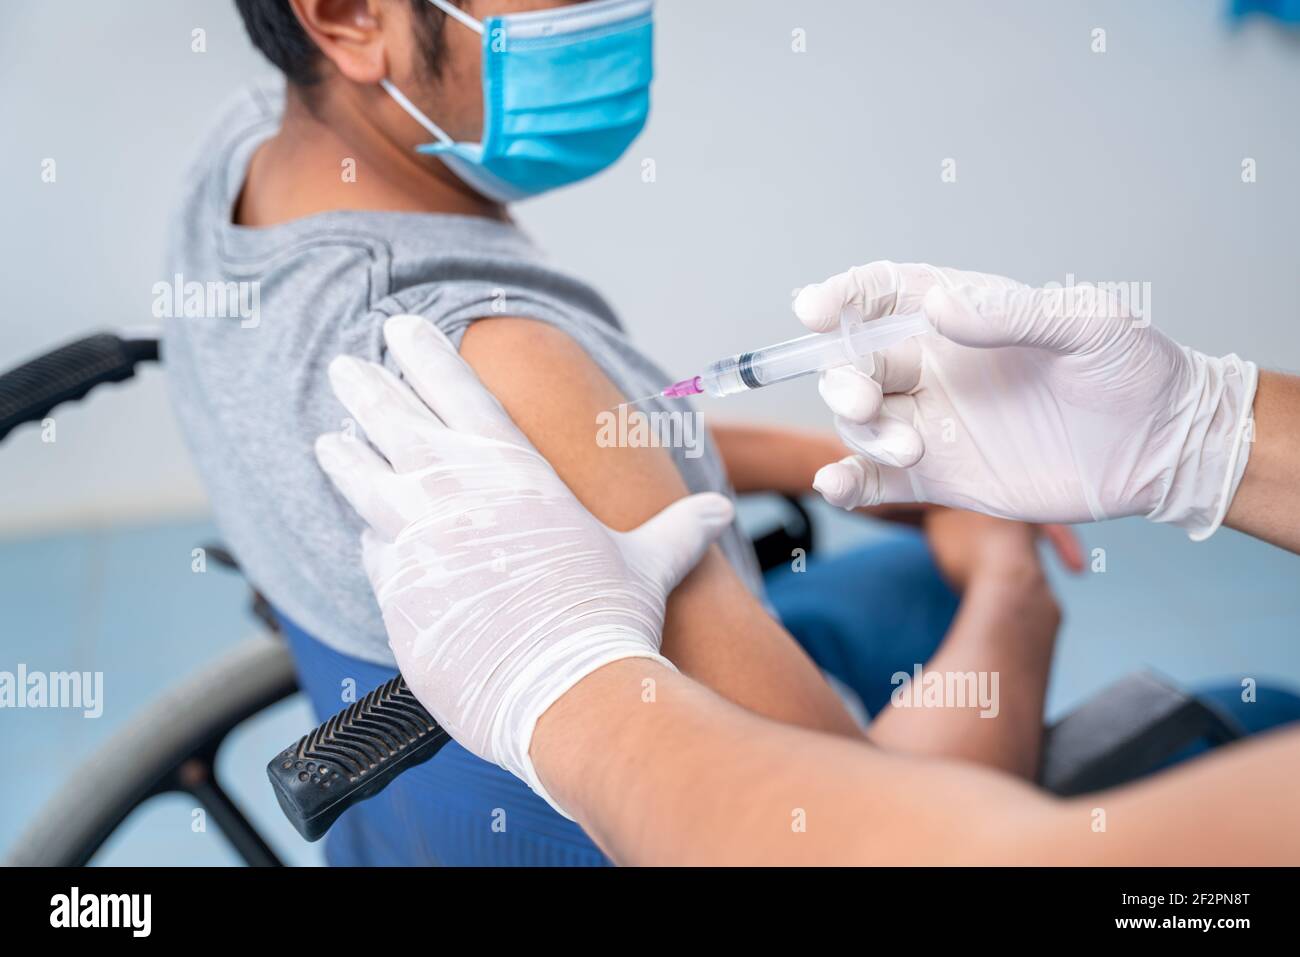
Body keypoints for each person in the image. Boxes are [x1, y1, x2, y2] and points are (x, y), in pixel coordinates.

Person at [162, 1, 1076, 865]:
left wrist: (848, 463)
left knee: (909, 582)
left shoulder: (244, 162)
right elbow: (878, 836)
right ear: (349, 16)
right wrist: (1012, 581)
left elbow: (604, 438)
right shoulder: (497, 359)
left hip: (408, 813)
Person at [314, 272, 1300, 863]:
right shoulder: (505, 337)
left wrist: (567, 693)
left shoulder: (286, 245)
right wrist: (1214, 431)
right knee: (913, 585)